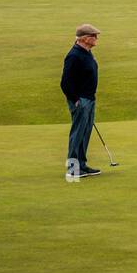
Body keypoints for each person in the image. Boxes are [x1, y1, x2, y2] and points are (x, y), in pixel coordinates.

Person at [61, 24, 102, 178]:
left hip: (90, 99)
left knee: (85, 133)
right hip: (81, 101)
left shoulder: (87, 53)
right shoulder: (74, 55)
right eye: (94, 36)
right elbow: (65, 83)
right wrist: (75, 100)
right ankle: (72, 170)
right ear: (85, 38)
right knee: (77, 133)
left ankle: (82, 166)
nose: (96, 39)